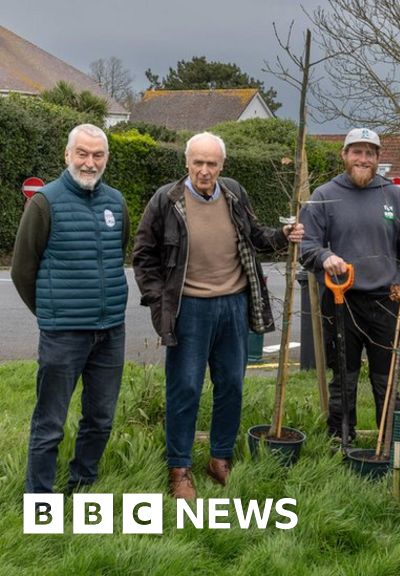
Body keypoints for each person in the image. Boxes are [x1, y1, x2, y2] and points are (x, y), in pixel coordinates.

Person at [133, 132, 303, 499]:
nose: (205, 171)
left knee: (231, 385)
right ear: (187, 163)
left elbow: (255, 236)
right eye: (199, 162)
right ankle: (179, 468)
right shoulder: (166, 200)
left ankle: (219, 458)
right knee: (186, 387)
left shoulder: (234, 193)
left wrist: (283, 235)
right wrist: (158, 301)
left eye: (212, 163)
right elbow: (143, 257)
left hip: (233, 305)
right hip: (189, 308)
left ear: (222, 165)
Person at [12, 124, 128, 494]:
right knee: (50, 422)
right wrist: (52, 311)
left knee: (100, 418)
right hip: (63, 334)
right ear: (67, 155)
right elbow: (22, 271)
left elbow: (117, 253)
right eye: (82, 153)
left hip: (110, 332)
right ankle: (40, 498)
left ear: (106, 158)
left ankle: (82, 484)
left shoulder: (116, 203)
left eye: (97, 155)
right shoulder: (44, 203)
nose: (89, 162)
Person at [300, 127, 400, 445]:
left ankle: (390, 442)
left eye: (369, 153)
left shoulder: (395, 196)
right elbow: (307, 246)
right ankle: (340, 438)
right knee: (343, 377)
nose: (363, 158)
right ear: (344, 155)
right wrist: (325, 255)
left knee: (386, 378)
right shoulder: (323, 196)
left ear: (377, 158)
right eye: (356, 152)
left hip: (387, 301)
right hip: (340, 300)